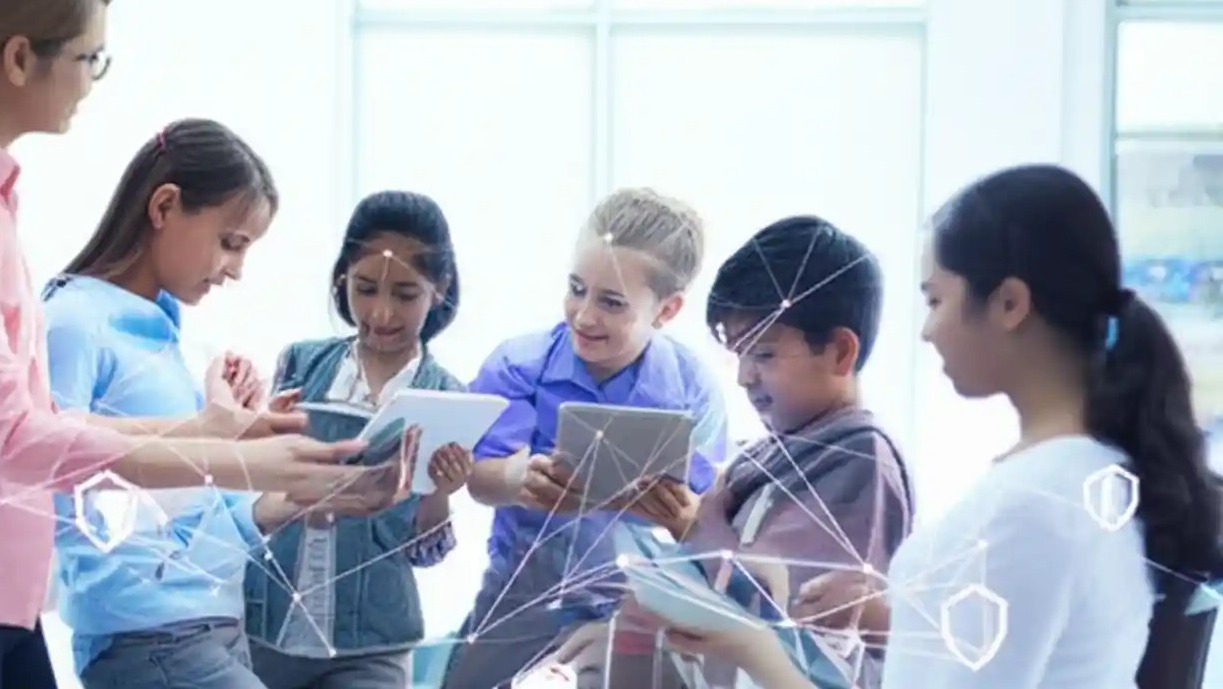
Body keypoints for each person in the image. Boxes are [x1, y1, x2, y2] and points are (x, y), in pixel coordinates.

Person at [0, 0, 368, 686]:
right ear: (17, 58)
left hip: (1, 602)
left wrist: (215, 434)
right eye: (88, 58)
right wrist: (229, 459)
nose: (92, 80)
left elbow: (40, 422)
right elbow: (13, 438)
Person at [663, 165, 1223, 689]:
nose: (927, 330)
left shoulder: (1035, 503)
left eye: (936, 299)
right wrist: (891, 616)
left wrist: (752, 645)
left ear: (1009, 304)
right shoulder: (1080, 476)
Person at [44, 118, 398, 688]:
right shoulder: (74, 321)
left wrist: (308, 491)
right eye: (230, 243)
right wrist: (219, 439)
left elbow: (197, 517)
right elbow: (52, 467)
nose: (236, 269)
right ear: (164, 207)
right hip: (149, 637)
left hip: (211, 626)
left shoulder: (166, 339)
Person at [552, 216, 912, 689]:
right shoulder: (775, 451)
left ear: (840, 352)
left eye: (763, 354)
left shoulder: (858, 460)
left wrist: (696, 525)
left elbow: (783, 623)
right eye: (740, 353)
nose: (744, 377)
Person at [441, 188, 730, 689]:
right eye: (577, 289)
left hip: (640, 597)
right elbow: (479, 478)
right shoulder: (520, 364)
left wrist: (679, 512)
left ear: (667, 310)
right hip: (524, 589)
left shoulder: (692, 389)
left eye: (611, 303)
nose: (584, 315)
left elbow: (712, 516)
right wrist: (517, 479)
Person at [245, 190, 474, 689]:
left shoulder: (447, 396)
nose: (382, 314)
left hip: (373, 643)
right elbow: (255, 503)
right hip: (269, 625)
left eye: (405, 295)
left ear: (440, 289)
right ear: (342, 278)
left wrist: (440, 492)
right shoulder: (301, 364)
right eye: (365, 289)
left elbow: (424, 554)